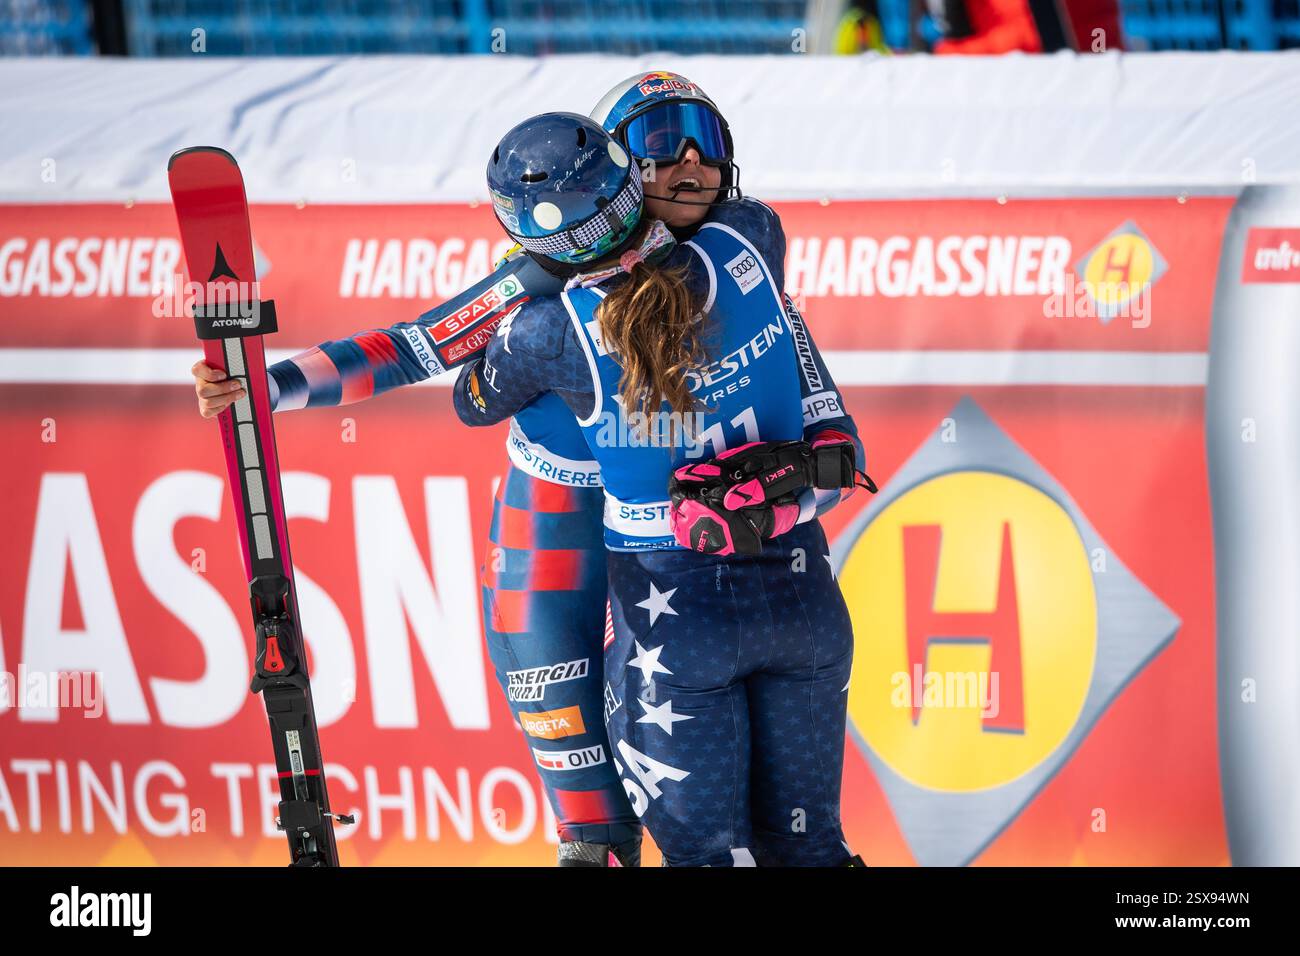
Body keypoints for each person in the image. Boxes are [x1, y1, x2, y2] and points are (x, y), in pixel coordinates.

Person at [454, 111, 869, 866]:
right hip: (779, 590)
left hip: (651, 593)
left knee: (625, 845)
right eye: (661, 147)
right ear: (625, 179)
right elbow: (838, 452)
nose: (689, 161)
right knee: (808, 851)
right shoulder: (748, 245)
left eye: (704, 142)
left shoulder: (553, 318)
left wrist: (522, 285)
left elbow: (458, 389)